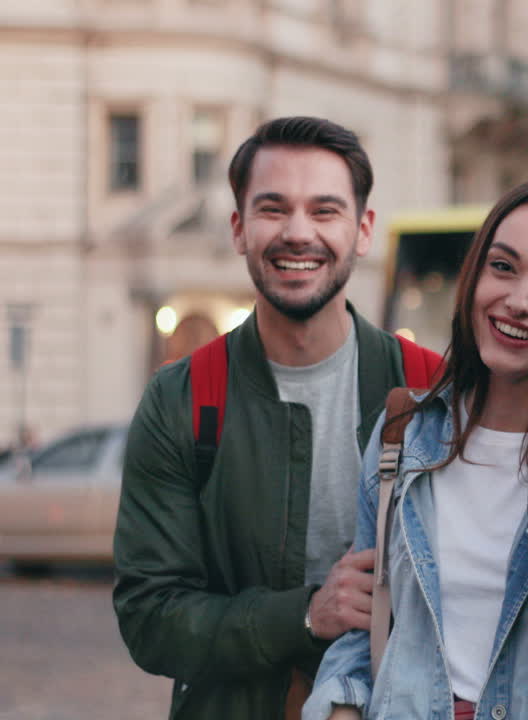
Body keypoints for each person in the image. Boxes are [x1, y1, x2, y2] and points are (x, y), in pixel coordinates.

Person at [113, 116, 442, 720]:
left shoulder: (431, 389)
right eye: (273, 208)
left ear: (362, 230)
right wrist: (307, 615)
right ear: (239, 229)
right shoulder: (181, 399)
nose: (297, 233)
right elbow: (148, 615)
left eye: (324, 211)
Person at [303, 176, 528, 720]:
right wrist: (339, 708)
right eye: (502, 267)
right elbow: (366, 631)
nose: (518, 301)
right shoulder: (402, 431)